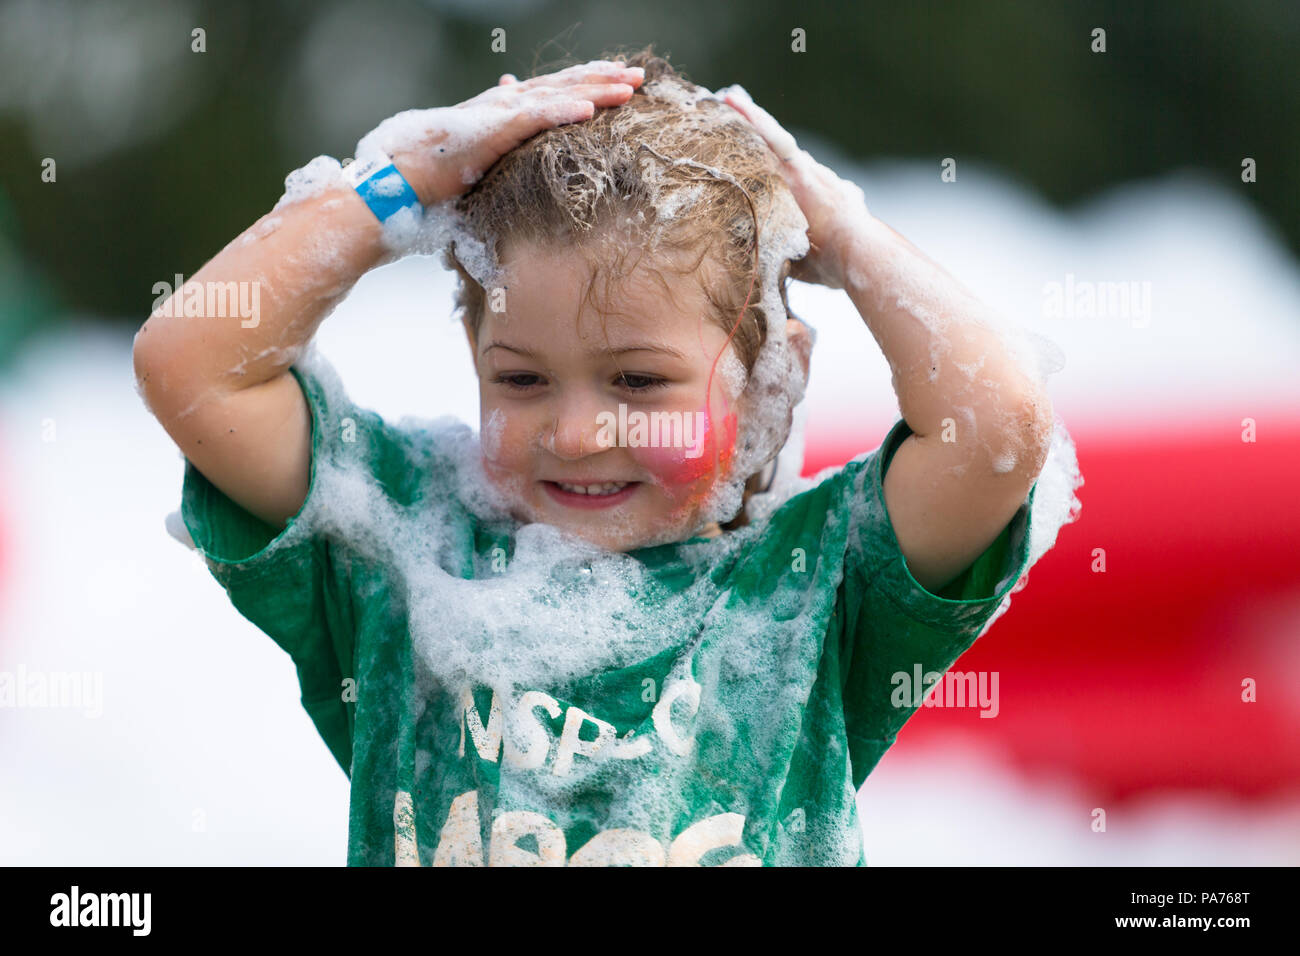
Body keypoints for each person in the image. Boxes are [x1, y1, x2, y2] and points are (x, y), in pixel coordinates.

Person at [133, 48, 1072, 866]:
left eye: (637, 383)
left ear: (772, 380)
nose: (577, 434)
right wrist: (397, 184)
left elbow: (997, 431)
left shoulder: (809, 589)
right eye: (524, 382)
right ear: (475, 362)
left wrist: (841, 232)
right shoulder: (397, 548)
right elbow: (192, 363)